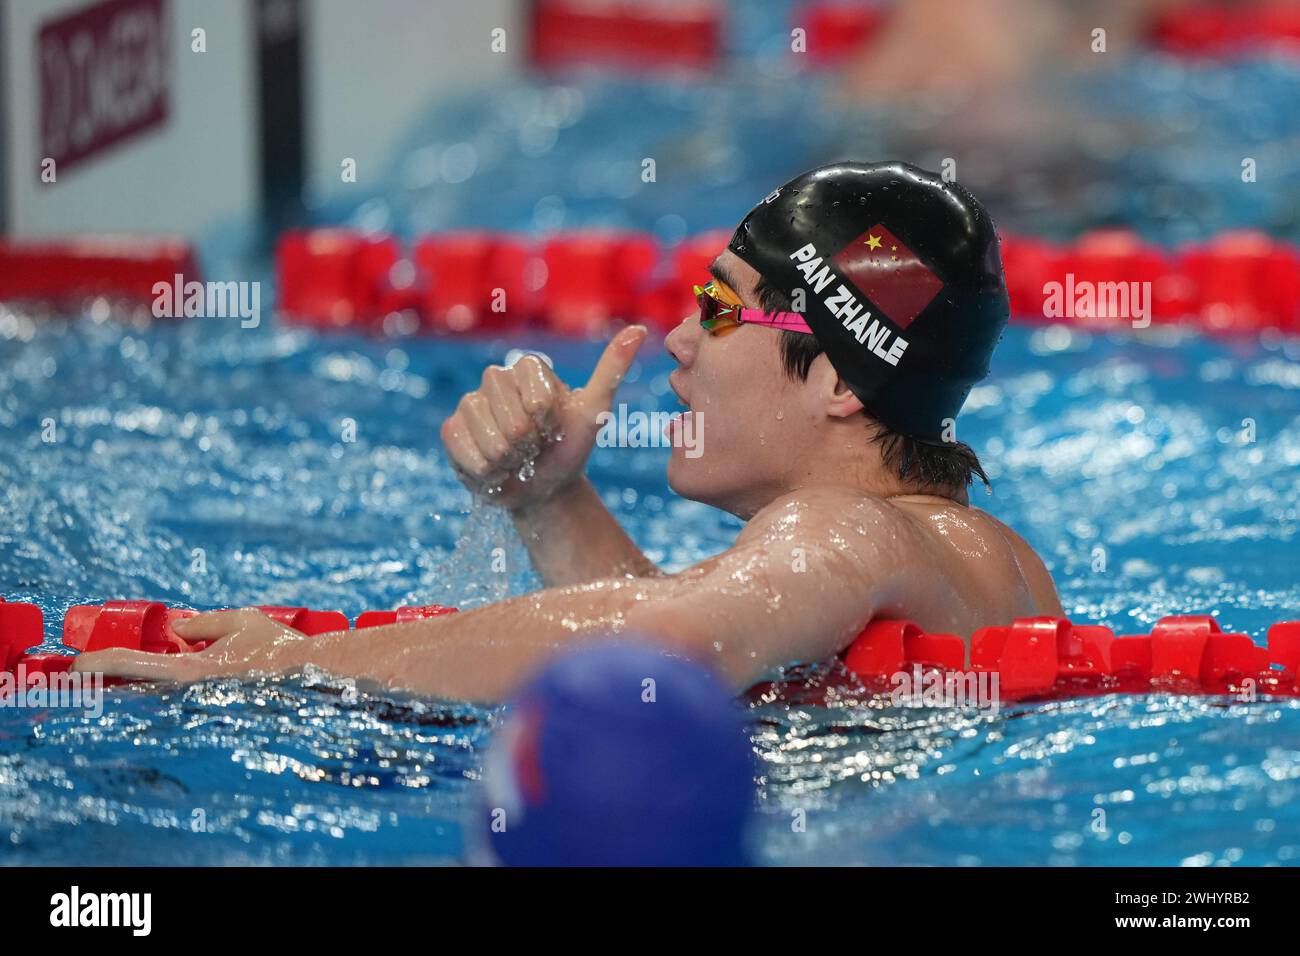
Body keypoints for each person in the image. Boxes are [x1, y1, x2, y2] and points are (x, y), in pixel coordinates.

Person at [74, 161, 1063, 702]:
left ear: (843, 379)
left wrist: (287, 664)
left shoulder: (845, 530)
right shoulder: (988, 558)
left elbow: (651, 655)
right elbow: (700, 626)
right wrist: (552, 498)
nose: (680, 340)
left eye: (722, 310)